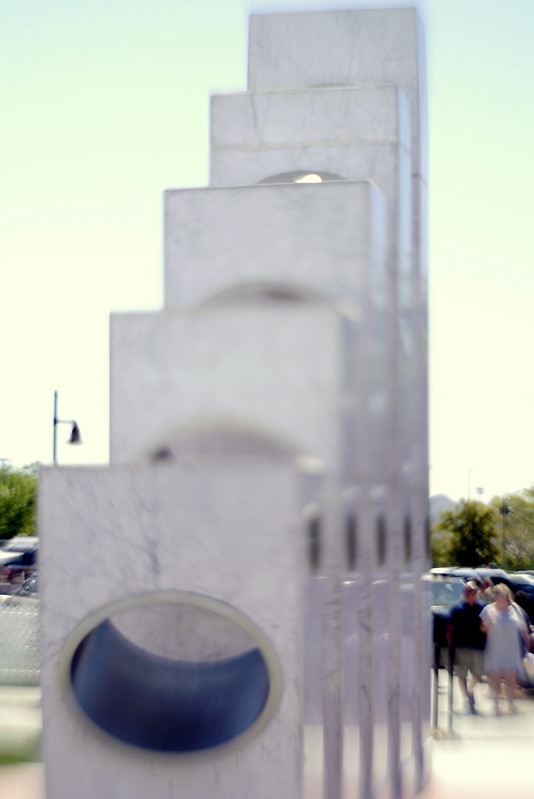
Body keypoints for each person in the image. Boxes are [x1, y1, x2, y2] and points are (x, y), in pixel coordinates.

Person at [480, 583, 530, 714]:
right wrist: (487, 624)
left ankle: (510, 704)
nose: (499, 597)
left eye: (501, 595)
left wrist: (527, 644)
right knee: (495, 679)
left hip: (511, 650)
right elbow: (482, 629)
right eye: (496, 594)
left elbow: (523, 628)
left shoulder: (515, 609)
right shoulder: (488, 610)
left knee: (510, 680)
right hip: (495, 650)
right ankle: (496, 704)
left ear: (506, 595)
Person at [447, 581, 486, 713]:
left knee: (478, 673)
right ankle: (468, 698)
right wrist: (450, 645)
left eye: (475, 591)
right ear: (465, 593)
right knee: (462, 675)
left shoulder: (482, 608)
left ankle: (469, 690)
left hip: (478, 646)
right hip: (461, 646)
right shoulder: (457, 608)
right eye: (469, 592)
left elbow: (488, 624)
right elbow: (450, 628)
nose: (473, 594)